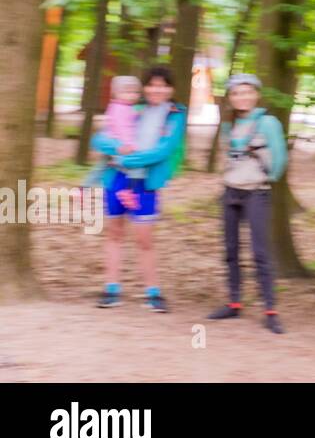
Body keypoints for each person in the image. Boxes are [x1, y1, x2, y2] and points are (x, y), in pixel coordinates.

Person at [89, 66, 187, 312]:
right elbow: (99, 139)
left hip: (145, 183)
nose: (157, 89)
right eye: (152, 84)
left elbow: (163, 150)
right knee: (114, 234)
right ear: (145, 87)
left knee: (144, 239)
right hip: (116, 179)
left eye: (163, 85)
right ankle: (111, 288)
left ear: (171, 88)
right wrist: (114, 148)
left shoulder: (175, 114)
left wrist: (126, 159)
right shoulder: (133, 108)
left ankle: (153, 291)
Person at [207, 73, 289, 333]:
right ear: (230, 98)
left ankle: (270, 310)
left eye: (247, 92)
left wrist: (266, 177)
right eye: (236, 93)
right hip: (231, 192)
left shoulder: (268, 122)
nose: (242, 97)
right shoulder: (228, 126)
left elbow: (280, 156)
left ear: (256, 94)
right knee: (230, 251)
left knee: (260, 253)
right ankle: (233, 302)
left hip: (256, 193)